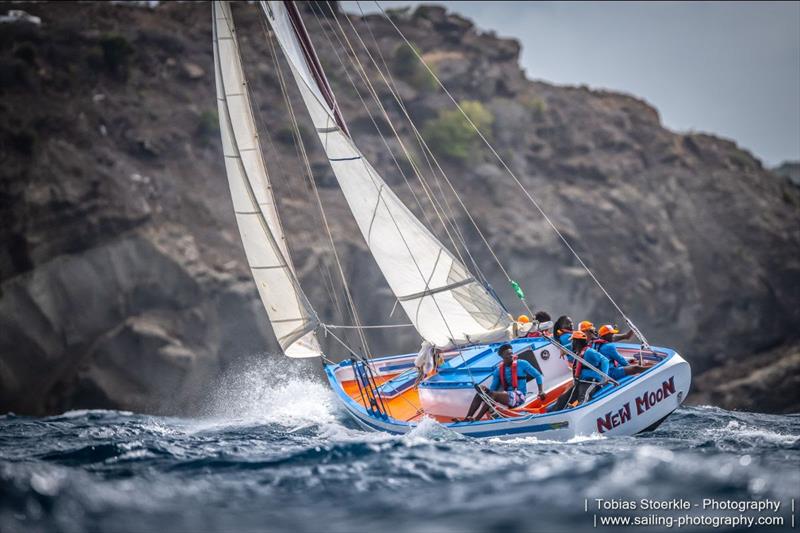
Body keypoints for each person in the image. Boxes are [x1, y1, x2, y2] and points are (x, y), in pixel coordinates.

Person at [458, 343, 546, 422]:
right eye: (508, 354)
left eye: (511, 353)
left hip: (519, 396)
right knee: (480, 393)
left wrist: (541, 391)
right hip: (507, 396)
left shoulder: (522, 363)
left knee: (494, 395)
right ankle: (467, 418)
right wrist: (484, 390)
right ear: (502, 357)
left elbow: (537, 375)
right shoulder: (498, 370)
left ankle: (476, 420)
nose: (511, 356)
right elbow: (492, 390)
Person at [551, 331, 611, 411]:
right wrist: (563, 350)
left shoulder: (589, 352)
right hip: (580, 382)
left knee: (584, 397)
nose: (571, 343)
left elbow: (605, 361)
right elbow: (569, 347)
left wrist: (605, 376)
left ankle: (578, 411)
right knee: (563, 399)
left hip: (591, 382)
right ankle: (553, 413)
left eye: (572, 341)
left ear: (576, 342)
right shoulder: (579, 352)